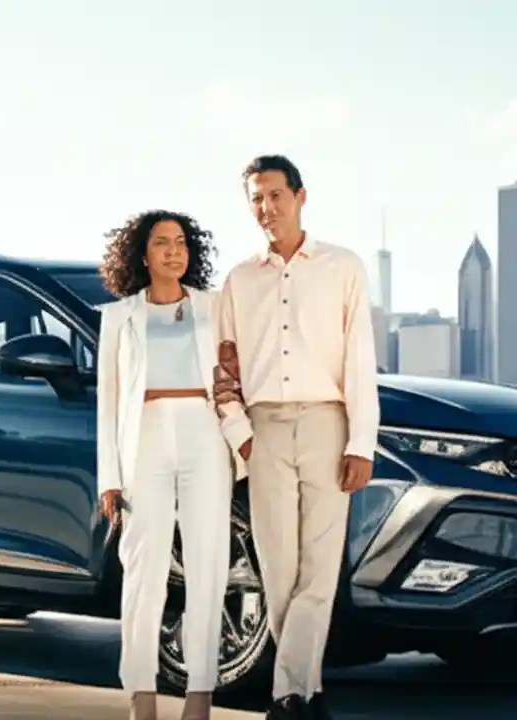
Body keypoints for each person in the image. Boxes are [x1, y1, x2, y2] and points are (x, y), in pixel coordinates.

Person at [211, 155, 380, 720]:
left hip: (327, 425)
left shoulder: (343, 268)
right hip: (264, 432)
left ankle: (289, 694)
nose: (266, 208)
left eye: (275, 195)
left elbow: (360, 359)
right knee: (278, 567)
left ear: (301, 196)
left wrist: (361, 442)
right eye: (256, 198)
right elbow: (223, 372)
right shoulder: (237, 282)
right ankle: (303, 693)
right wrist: (243, 438)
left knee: (319, 566)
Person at [96, 209, 250, 720]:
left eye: (181, 242)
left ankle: (200, 695)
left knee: (209, 562)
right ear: (142, 254)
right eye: (162, 243)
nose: (174, 251)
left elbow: (234, 373)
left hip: (205, 432)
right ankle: (142, 694)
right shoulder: (119, 317)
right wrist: (109, 478)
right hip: (145, 436)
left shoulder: (214, 306)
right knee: (145, 567)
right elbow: (108, 402)